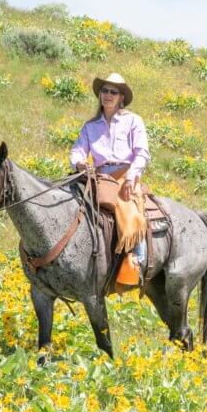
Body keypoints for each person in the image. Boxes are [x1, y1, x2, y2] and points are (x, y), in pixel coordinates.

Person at [69, 72, 151, 288]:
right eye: (104, 91)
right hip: (98, 176)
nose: (108, 95)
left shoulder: (133, 121)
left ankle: (136, 260)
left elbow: (142, 153)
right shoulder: (90, 126)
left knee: (129, 209)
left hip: (125, 174)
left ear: (121, 97)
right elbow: (77, 150)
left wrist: (131, 177)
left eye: (113, 92)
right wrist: (79, 163)